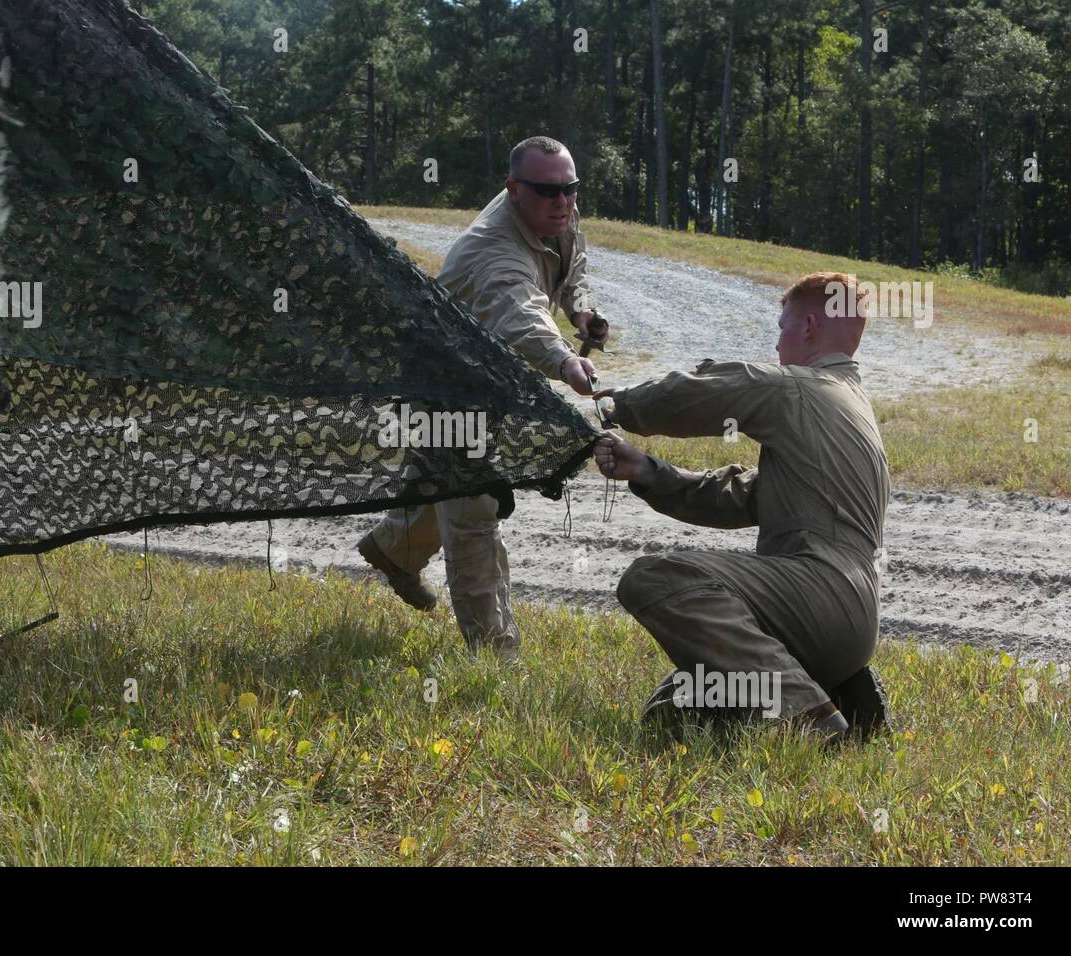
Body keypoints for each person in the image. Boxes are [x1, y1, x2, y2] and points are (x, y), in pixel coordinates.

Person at [592, 271, 892, 742]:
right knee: (677, 705)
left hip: (817, 595)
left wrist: (619, 407)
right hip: (849, 619)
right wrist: (649, 472)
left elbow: (716, 388)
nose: (777, 344)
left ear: (810, 328)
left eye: (782, 327)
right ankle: (839, 692)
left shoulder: (799, 388)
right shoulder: (851, 405)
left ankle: (807, 716)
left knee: (654, 577)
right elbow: (747, 497)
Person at [357, 135, 609, 659]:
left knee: (447, 488)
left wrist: (581, 310)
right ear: (513, 189)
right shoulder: (494, 249)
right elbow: (520, 314)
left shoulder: (554, 213)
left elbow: (569, 268)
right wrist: (564, 360)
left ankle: (392, 548)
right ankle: (494, 653)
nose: (563, 202)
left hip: (487, 381)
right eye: (549, 192)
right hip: (441, 387)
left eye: (571, 189)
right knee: (474, 509)